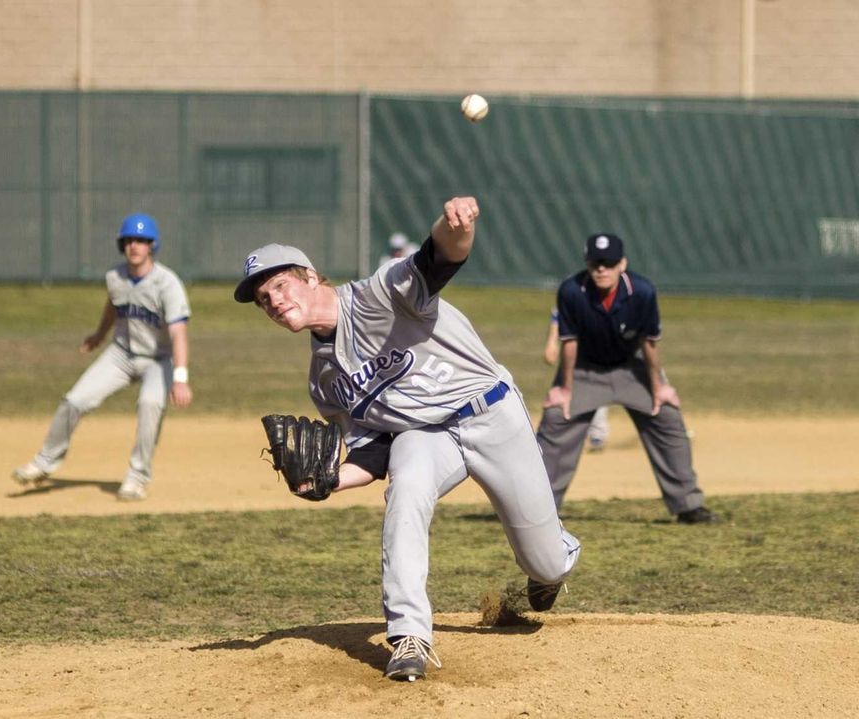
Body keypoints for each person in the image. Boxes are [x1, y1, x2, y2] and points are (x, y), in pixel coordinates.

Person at [234, 197, 581, 682]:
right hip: (424, 435)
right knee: (405, 488)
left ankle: (553, 565)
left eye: (279, 285)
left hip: (490, 413)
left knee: (544, 562)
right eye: (263, 300)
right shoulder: (324, 380)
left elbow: (439, 258)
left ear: (311, 276)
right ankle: (410, 635)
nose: (273, 302)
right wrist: (328, 481)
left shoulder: (379, 294)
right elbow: (374, 450)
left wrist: (454, 224)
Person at [536, 233, 717, 524]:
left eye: (608, 263)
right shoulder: (572, 290)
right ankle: (538, 508)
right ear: (587, 263)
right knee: (557, 417)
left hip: (631, 367)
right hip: (586, 368)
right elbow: (569, 342)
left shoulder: (642, 291)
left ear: (623, 264)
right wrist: (565, 389)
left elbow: (649, 343)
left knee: (667, 415)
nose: (601, 270)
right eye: (596, 263)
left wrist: (659, 387)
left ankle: (688, 505)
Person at [13, 213, 193, 501]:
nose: (134, 245)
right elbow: (113, 306)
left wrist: (181, 377)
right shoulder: (114, 277)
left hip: (159, 359)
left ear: (152, 245)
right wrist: (99, 335)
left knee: (150, 404)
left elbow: (178, 333)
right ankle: (43, 463)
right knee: (74, 400)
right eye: (129, 240)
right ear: (121, 245)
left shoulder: (167, 283)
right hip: (121, 354)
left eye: (142, 240)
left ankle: (137, 478)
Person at [544, 307, 611, 452]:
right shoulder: (566, 301)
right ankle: (561, 434)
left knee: (597, 391)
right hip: (572, 361)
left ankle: (597, 433)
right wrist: (551, 343)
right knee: (562, 395)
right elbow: (556, 321)